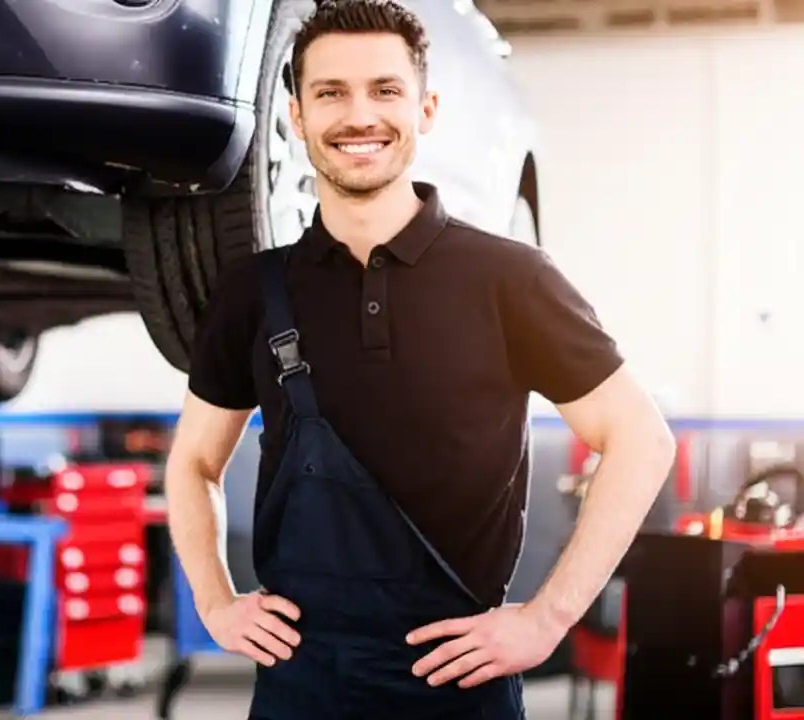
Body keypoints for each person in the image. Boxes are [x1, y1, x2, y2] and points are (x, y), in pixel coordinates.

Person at [162, 0, 678, 717]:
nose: (358, 116)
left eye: (385, 90)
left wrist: (547, 618)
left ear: (427, 108)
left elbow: (640, 440)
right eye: (330, 93)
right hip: (302, 687)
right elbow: (192, 464)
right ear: (294, 116)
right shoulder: (255, 290)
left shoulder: (510, 279)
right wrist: (216, 601)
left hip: (460, 685)